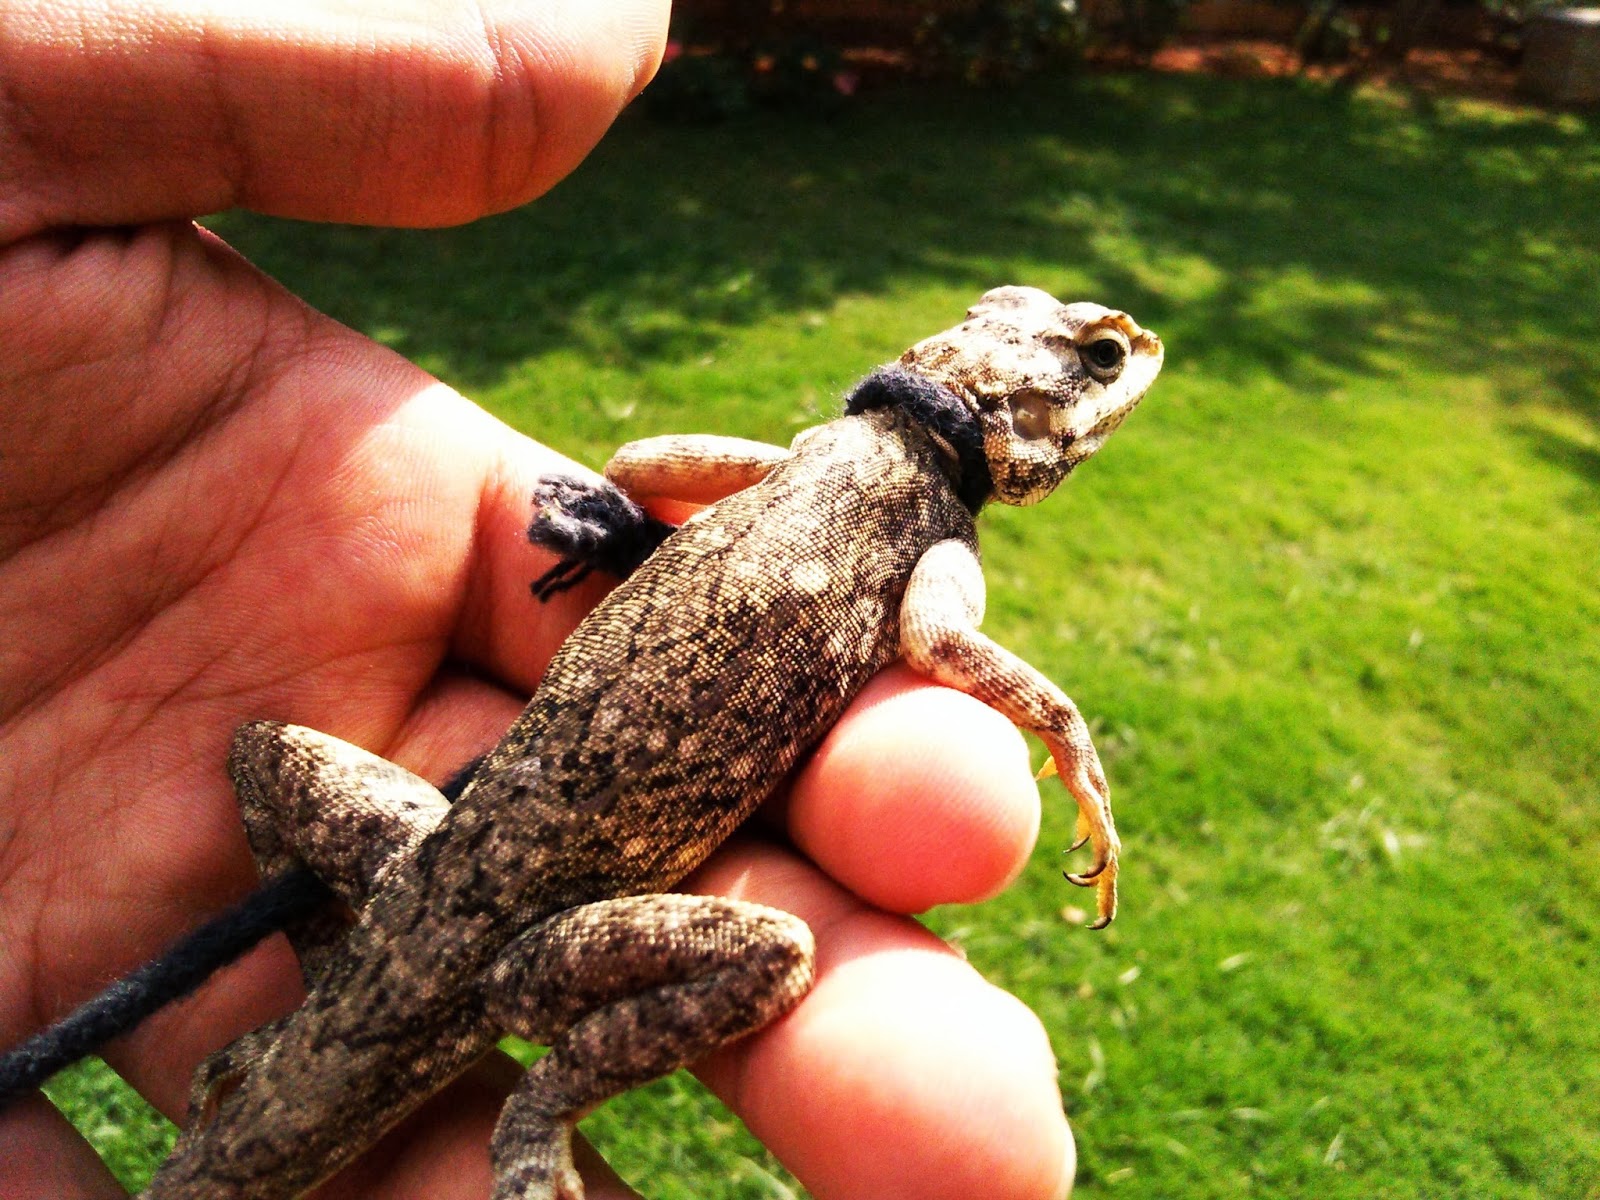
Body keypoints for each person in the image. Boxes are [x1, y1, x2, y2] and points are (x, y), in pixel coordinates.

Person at [0, 3, 1075, 1197]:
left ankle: (346, 1018)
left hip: (451, 885)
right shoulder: (912, 526)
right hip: (517, 940)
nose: (1097, 365)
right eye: (1086, 366)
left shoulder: (814, 462)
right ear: (1018, 421)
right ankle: (532, 1106)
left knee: (271, 760)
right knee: (769, 953)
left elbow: (643, 462)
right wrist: (1065, 733)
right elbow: (936, 640)